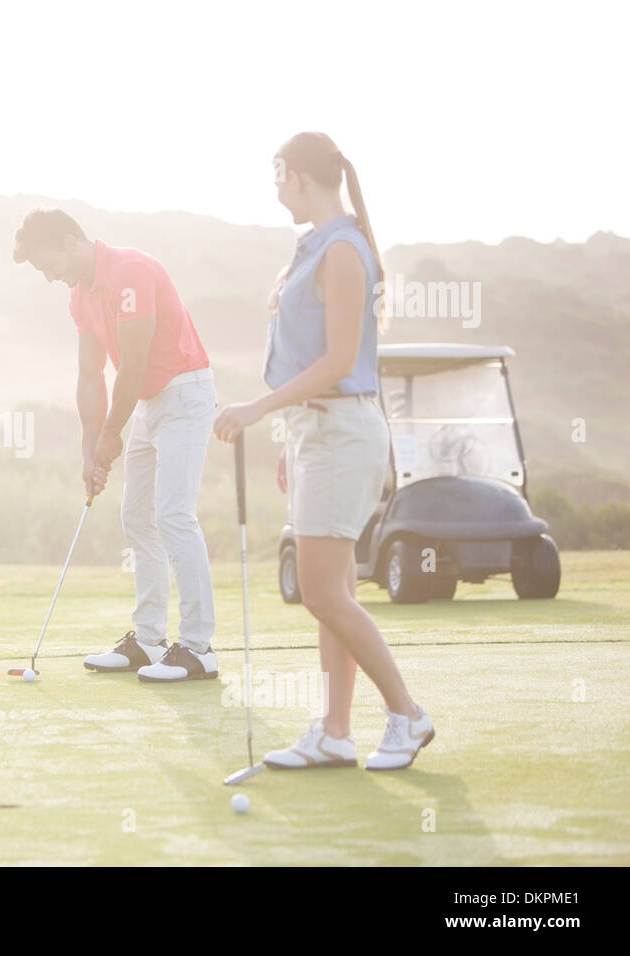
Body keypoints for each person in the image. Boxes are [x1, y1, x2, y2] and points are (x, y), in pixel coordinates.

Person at [212, 132, 433, 770]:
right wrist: (293, 431)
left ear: (301, 178)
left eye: (279, 179)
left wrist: (261, 410)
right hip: (321, 432)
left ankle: (408, 716)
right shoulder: (316, 247)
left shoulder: (341, 249)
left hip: (342, 432)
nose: (277, 193)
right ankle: (336, 732)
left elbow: (340, 361)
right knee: (334, 591)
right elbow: (316, 363)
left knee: (322, 592)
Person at [13, 208, 220, 683]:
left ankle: (198, 647)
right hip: (148, 401)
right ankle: (149, 640)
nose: (50, 278)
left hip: (185, 392)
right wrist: (91, 447)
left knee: (173, 515)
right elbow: (91, 373)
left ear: (70, 243)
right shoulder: (80, 297)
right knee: (135, 517)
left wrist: (111, 435)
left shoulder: (131, 271)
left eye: (49, 266)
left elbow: (133, 363)